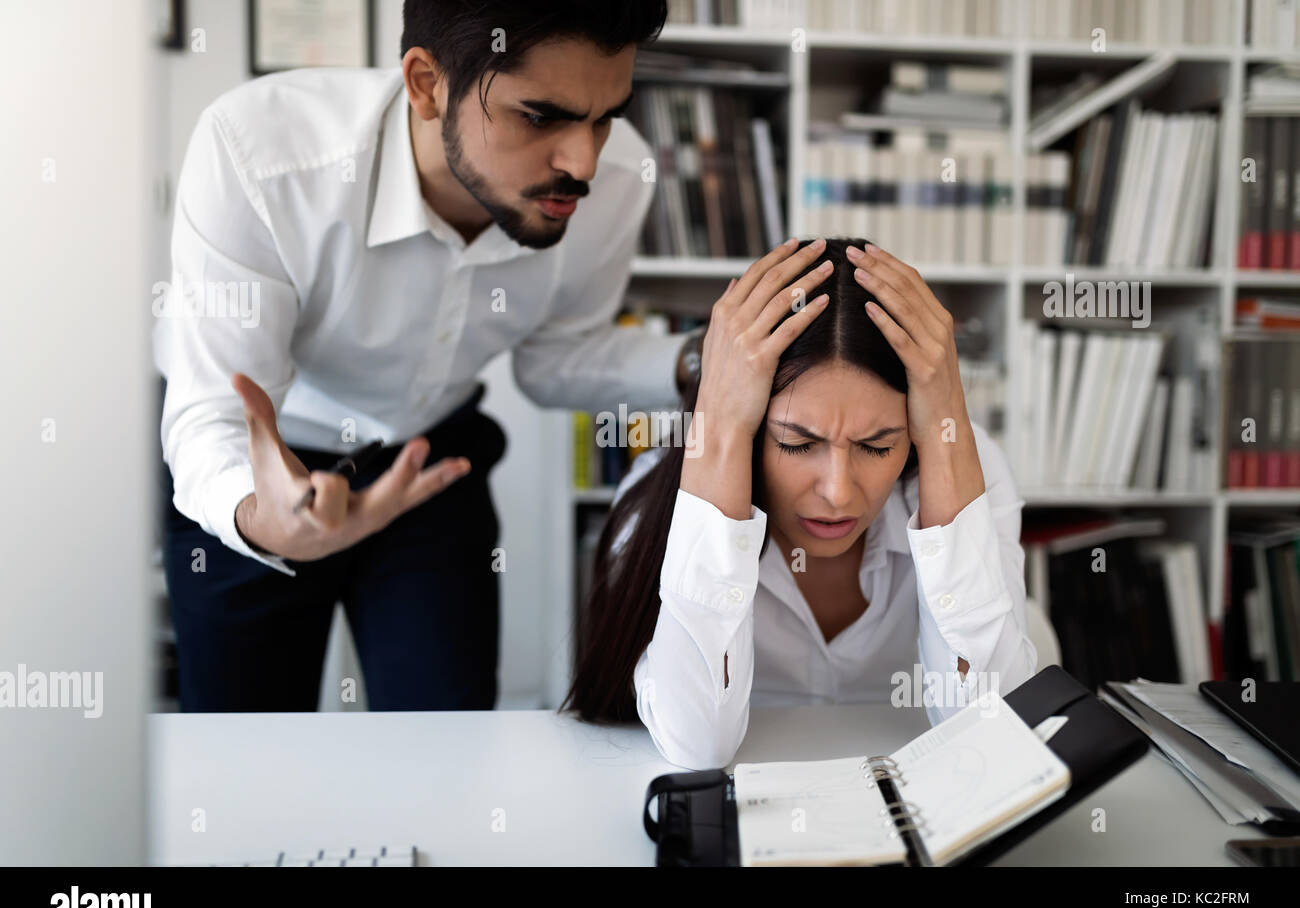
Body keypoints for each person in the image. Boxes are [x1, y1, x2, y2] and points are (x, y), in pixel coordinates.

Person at [155, 1, 698, 712]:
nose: (584, 162)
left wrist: (704, 360)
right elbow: (211, 417)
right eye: (540, 116)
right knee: (241, 755)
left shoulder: (622, 176)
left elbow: (555, 359)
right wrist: (264, 517)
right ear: (426, 84)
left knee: (446, 751)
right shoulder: (258, 154)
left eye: (605, 117)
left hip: (432, 469)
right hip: (261, 470)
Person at [563, 238, 1036, 769]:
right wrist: (716, 428)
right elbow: (698, 744)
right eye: (796, 443)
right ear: (745, 426)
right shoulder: (655, 501)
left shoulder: (963, 467)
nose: (838, 492)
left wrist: (948, 421)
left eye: (877, 445)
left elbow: (992, 734)